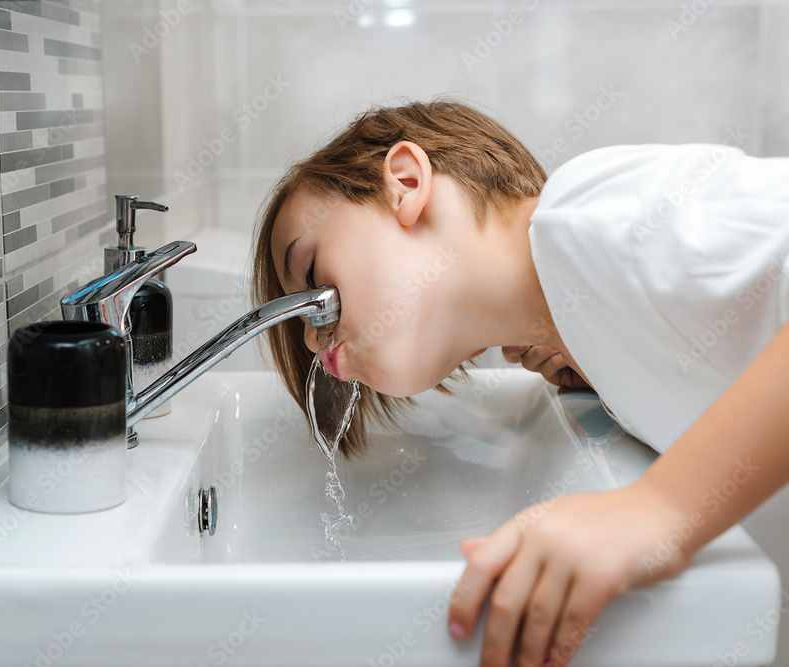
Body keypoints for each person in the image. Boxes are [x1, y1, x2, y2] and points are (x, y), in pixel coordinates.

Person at [250, 99, 789, 667]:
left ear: (405, 183)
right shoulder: (595, 328)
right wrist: (608, 363)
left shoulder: (591, 213)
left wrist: (662, 508)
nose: (312, 339)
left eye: (309, 273)